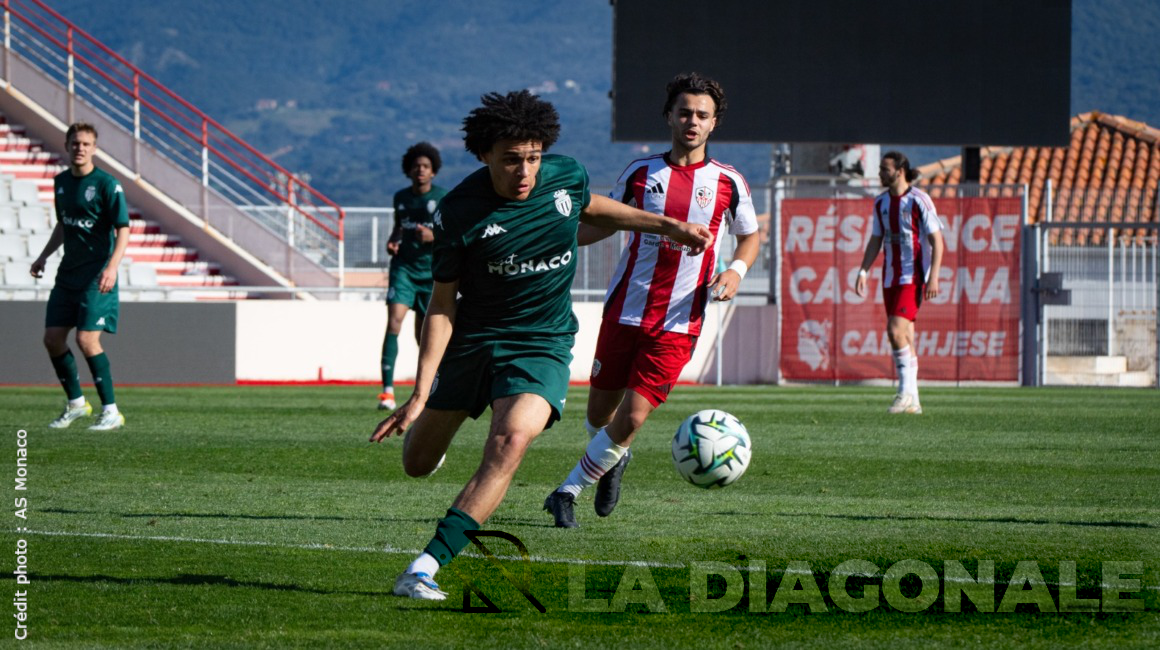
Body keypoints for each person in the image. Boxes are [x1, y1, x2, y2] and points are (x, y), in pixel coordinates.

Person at [370, 89, 712, 600]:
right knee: (417, 464)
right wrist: (418, 395)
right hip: (474, 341)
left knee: (510, 442)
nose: (525, 171)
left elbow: (593, 206)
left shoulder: (563, 175)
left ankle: (424, 567)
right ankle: (441, 423)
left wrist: (670, 226)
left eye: (532, 157)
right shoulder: (458, 211)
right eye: (511, 161)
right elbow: (442, 305)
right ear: (484, 155)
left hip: (541, 343)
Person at [543, 72, 761, 528]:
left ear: (714, 123)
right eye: (685, 112)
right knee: (600, 415)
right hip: (625, 309)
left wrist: (736, 271)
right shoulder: (641, 174)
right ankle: (613, 458)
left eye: (702, 115)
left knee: (634, 414)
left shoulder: (728, 182)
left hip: (679, 321)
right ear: (669, 116)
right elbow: (606, 222)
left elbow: (749, 236)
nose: (692, 121)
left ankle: (566, 492)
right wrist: (556, 242)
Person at [30, 122, 131, 431]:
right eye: (75, 143)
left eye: (86, 144)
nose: (80, 148)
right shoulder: (61, 182)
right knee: (52, 339)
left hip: (97, 276)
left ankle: (111, 411)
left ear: (94, 148)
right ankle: (76, 404)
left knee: (86, 339)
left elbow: (123, 228)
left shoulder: (106, 184)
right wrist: (44, 255)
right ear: (67, 145)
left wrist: (112, 267)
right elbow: (64, 225)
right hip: (67, 275)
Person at [854, 151, 944, 414]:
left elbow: (937, 240)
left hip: (912, 276)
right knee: (905, 335)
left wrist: (934, 276)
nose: (881, 174)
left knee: (894, 331)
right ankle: (913, 400)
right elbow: (875, 239)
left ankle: (903, 393)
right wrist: (863, 271)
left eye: (885, 169)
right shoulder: (881, 202)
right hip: (890, 276)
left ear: (900, 171)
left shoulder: (919, 200)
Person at [378, 142, 447, 410]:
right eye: (416, 166)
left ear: (433, 171)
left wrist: (434, 235)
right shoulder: (401, 198)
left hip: (431, 273)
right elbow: (399, 228)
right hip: (403, 269)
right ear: (408, 170)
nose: (421, 170)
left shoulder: (443, 197)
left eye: (426, 166)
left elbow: (453, 232)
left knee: (424, 336)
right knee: (394, 323)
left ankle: (429, 388)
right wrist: (393, 241)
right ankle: (386, 392)